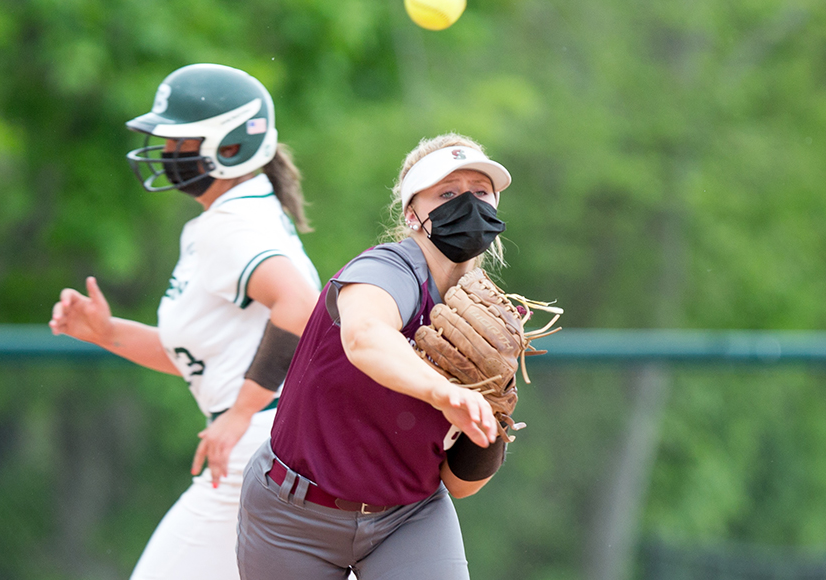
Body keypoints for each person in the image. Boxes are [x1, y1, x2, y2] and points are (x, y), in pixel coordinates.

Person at [48, 63, 321, 580]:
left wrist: (238, 414)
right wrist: (107, 332)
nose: (166, 152)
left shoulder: (231, 224)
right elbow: (207, 359)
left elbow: (300, 306)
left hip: (260, 442)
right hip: (285, 440)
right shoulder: (234, 215)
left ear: (232, 146)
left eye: (179, 139)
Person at [237, 133, 515, 580]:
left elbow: (462, 486)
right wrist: (443, 393)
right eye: (447, 193)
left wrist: (490, 422)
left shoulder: (489, 321)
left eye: (480, 192)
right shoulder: (388, 269)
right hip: (293, 514)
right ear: (411, 213)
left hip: (408, 518)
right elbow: (364, 337)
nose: (468, 205)